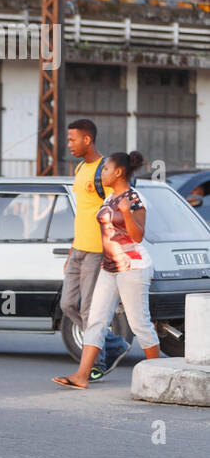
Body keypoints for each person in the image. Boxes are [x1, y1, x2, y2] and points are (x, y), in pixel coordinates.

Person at [53, 151, 161, 389]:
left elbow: (138, 236)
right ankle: (82, 375)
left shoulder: (133, 198)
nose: (102, 173)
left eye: (106, 169)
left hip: (132, 267)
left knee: (139, 324)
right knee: (95, 320)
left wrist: (125, 212)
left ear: (119, 172)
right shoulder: (109, 198)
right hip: (108, 267)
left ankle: (160, 376)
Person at [61, 119, 129, 381]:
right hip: (78, 249)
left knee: (90, 310)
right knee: (68, 304)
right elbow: (83, 212)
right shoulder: (80, 167)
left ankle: (95, 363)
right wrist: (70, 251)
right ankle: (113, 344)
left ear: (87, 140)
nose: (69, 144)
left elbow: (116, 206)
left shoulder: (104, 170)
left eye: (72, 139)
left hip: (97, 252)